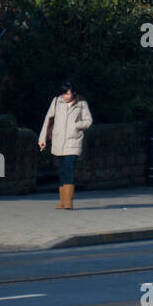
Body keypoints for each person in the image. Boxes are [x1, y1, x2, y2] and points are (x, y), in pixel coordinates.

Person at [38, 82, 93, 210]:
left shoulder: (81, 103)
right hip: (58, 141)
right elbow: (48, 119)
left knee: (69, 168)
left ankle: (69, 201)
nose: (66, 96)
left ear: (74, 92)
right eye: (64, 93)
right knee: (62, 171)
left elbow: (88, 120)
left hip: (73, 141)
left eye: (68, 93)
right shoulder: (56, 101)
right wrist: (42, 138)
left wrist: (77, 126)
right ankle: (62, 201)